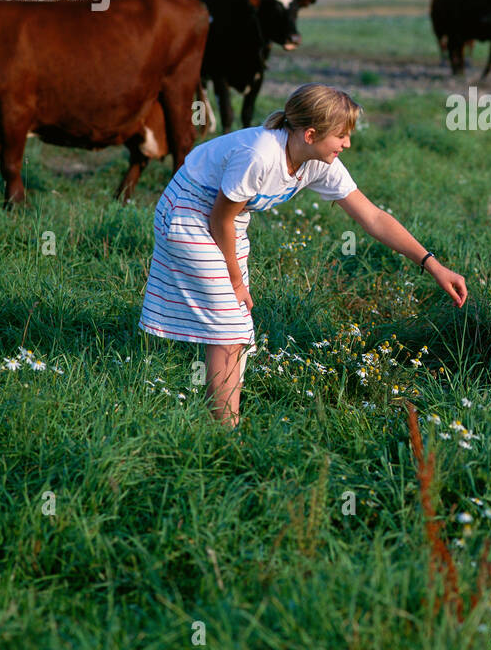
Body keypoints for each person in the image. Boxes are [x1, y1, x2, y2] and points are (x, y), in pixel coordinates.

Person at [139, 82, 467, 424]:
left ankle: (221, 422)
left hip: (227, 220)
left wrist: (433, 265)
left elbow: (373, 217)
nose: (348, 143)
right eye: (341, 135)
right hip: (189, 212)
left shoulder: (318, 162)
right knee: (230, 324)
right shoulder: (260, 155)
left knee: (235, 327)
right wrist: (236, 281)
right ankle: (225, 429)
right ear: (310, 134)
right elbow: (220, 217)